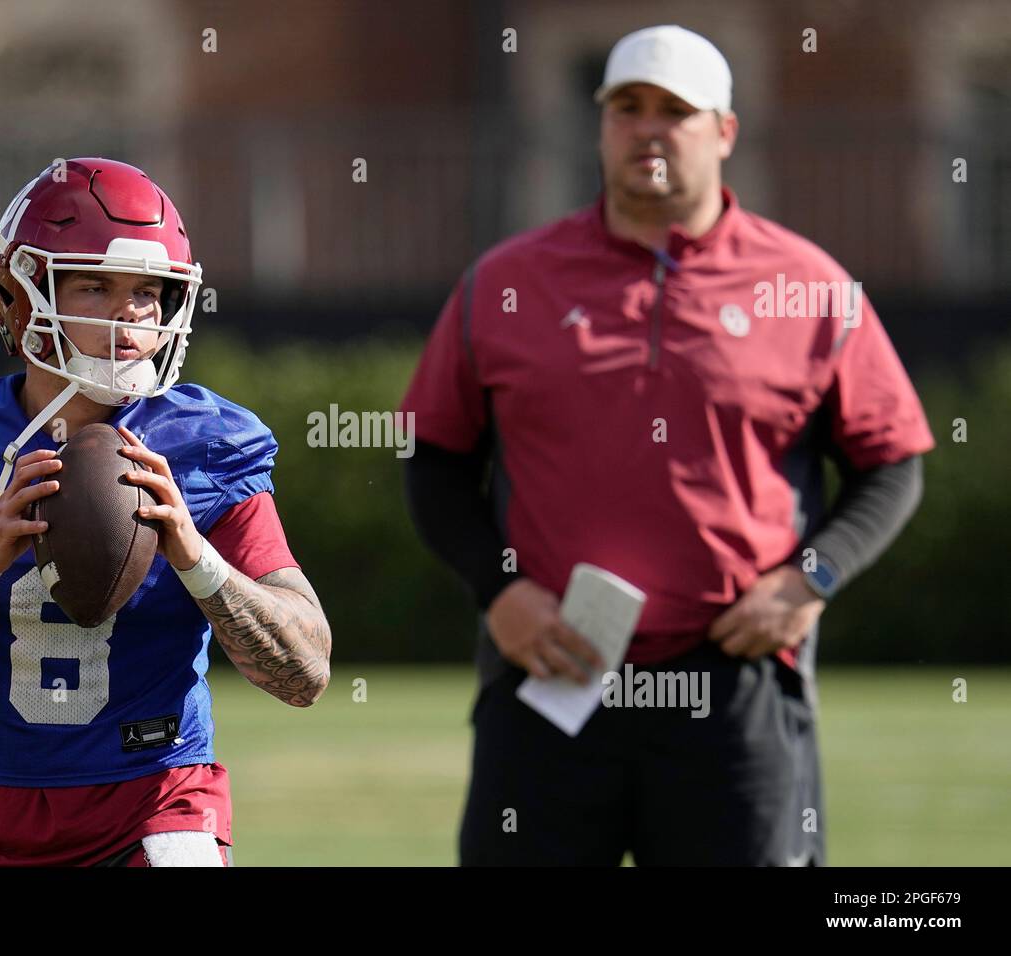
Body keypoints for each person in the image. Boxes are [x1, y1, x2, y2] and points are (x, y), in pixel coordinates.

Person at [400, 25, 934, 865]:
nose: (648, 128)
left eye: (675, 112)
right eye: (627, 108)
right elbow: (432, 458)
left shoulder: (811, 285)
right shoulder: (506, 282)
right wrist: (496, 589)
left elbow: (893, 460)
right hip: (550, 671)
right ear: (603, 124)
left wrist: (812, 579)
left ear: (724, 131)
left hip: (733, 683)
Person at [0, 158, 331, 867]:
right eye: (94, 284)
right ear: (18, 295)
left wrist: (197, 557)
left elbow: (306, 671)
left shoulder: (209, 445)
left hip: (160, 804)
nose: (129, 313)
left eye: (148, 293)